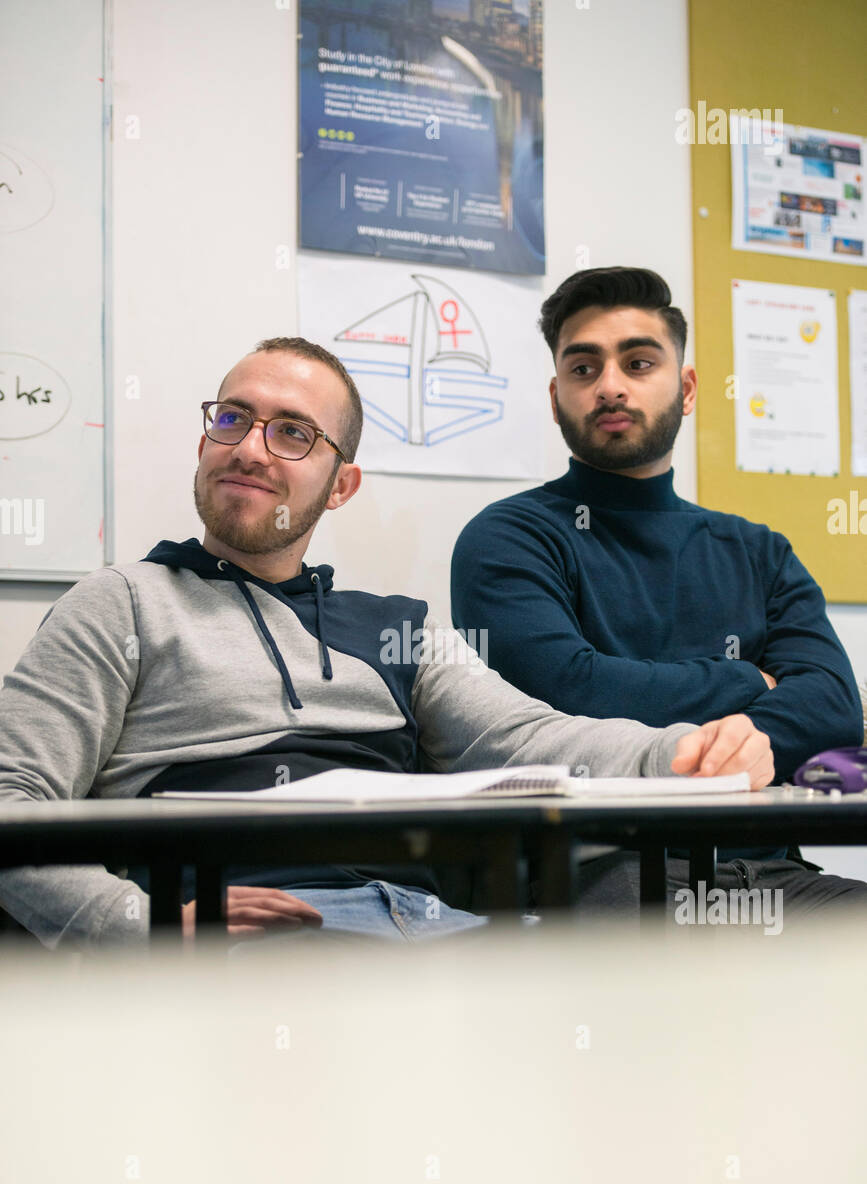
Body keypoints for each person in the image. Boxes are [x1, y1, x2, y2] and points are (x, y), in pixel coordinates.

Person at [0, 336, 774, 950]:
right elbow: (11, 801)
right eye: (232, 419)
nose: (250, 449)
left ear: (341, 486)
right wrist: (145, 927)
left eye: (294, 434)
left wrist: (687, 750)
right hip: (260, 942)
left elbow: (530, 738)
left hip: (435, 922)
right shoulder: (123, 601)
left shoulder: (396, 627)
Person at [451, 267, 866, 915]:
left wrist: (739, 735)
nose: (610, 386)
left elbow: (833, 707)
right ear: (557, 394)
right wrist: (748, 683)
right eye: (583, 369)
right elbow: (567, 691)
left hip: (770, 872)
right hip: (591, 872)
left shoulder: (757, 550)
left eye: (638, 363)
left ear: (687, 387)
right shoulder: (508, 538)